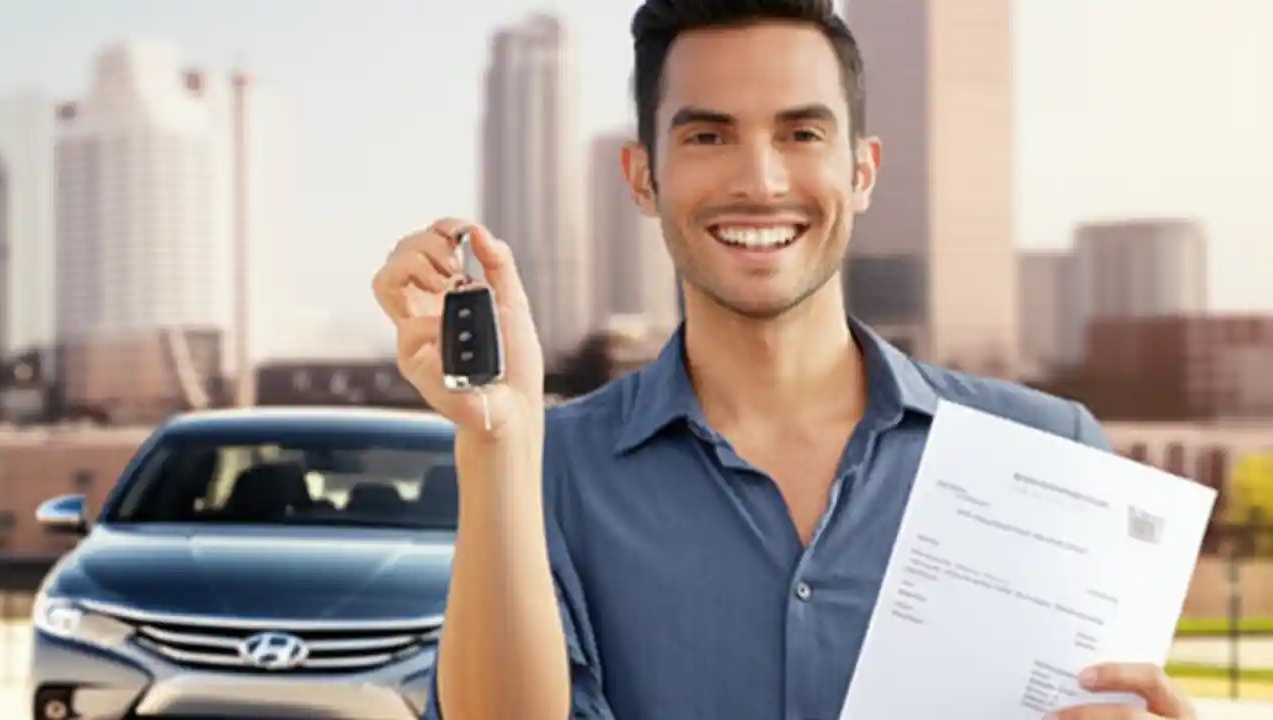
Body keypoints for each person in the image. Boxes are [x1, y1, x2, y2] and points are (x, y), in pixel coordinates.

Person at [373, 1, 1200, 718]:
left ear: (862, 169)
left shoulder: (1054, 455)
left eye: (801, 132)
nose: (761, 180)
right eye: (707, 135)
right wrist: (496, 441)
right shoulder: (549, 467)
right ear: (643, 178)